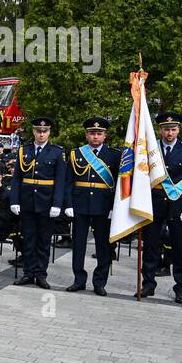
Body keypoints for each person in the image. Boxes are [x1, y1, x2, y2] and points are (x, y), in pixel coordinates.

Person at [142, 112, 182, 304]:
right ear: (160, 130)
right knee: (150, 246)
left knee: (180, 248)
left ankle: (181, 287)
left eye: (173, 129)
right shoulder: (149, 149)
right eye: (166, 129)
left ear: (178, 130)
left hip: (179, 204)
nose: (169, 132)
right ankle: (148, 284)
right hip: (154, 202)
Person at [63, 117, 120, 295]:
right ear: (86, 135)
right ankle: (79, 279)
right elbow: (68, 181)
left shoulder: (115, 155)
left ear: (105, 135)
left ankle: (100, 282)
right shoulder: (75, 154)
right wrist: (68, 204)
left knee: (103, 245)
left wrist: (114, 207)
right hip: (80, 204)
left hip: (103, 206)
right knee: (78, 244)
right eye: (92, 133)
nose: (95, 136)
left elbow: (119, 184)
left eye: (99, 133)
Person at [9, 117, 66, 289]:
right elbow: (17, 178)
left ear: (49, 132)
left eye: (45, 131)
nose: (41, 134)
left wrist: (57, 204)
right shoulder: (23, 150)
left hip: (46, 204)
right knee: (28, 239)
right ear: (33, 131)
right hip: (27, 203)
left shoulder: (57, 152)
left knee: (43, 241)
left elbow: (60, 181)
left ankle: (41, 274)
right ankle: (28, 273)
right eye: (38, 131)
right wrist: (14, 200)